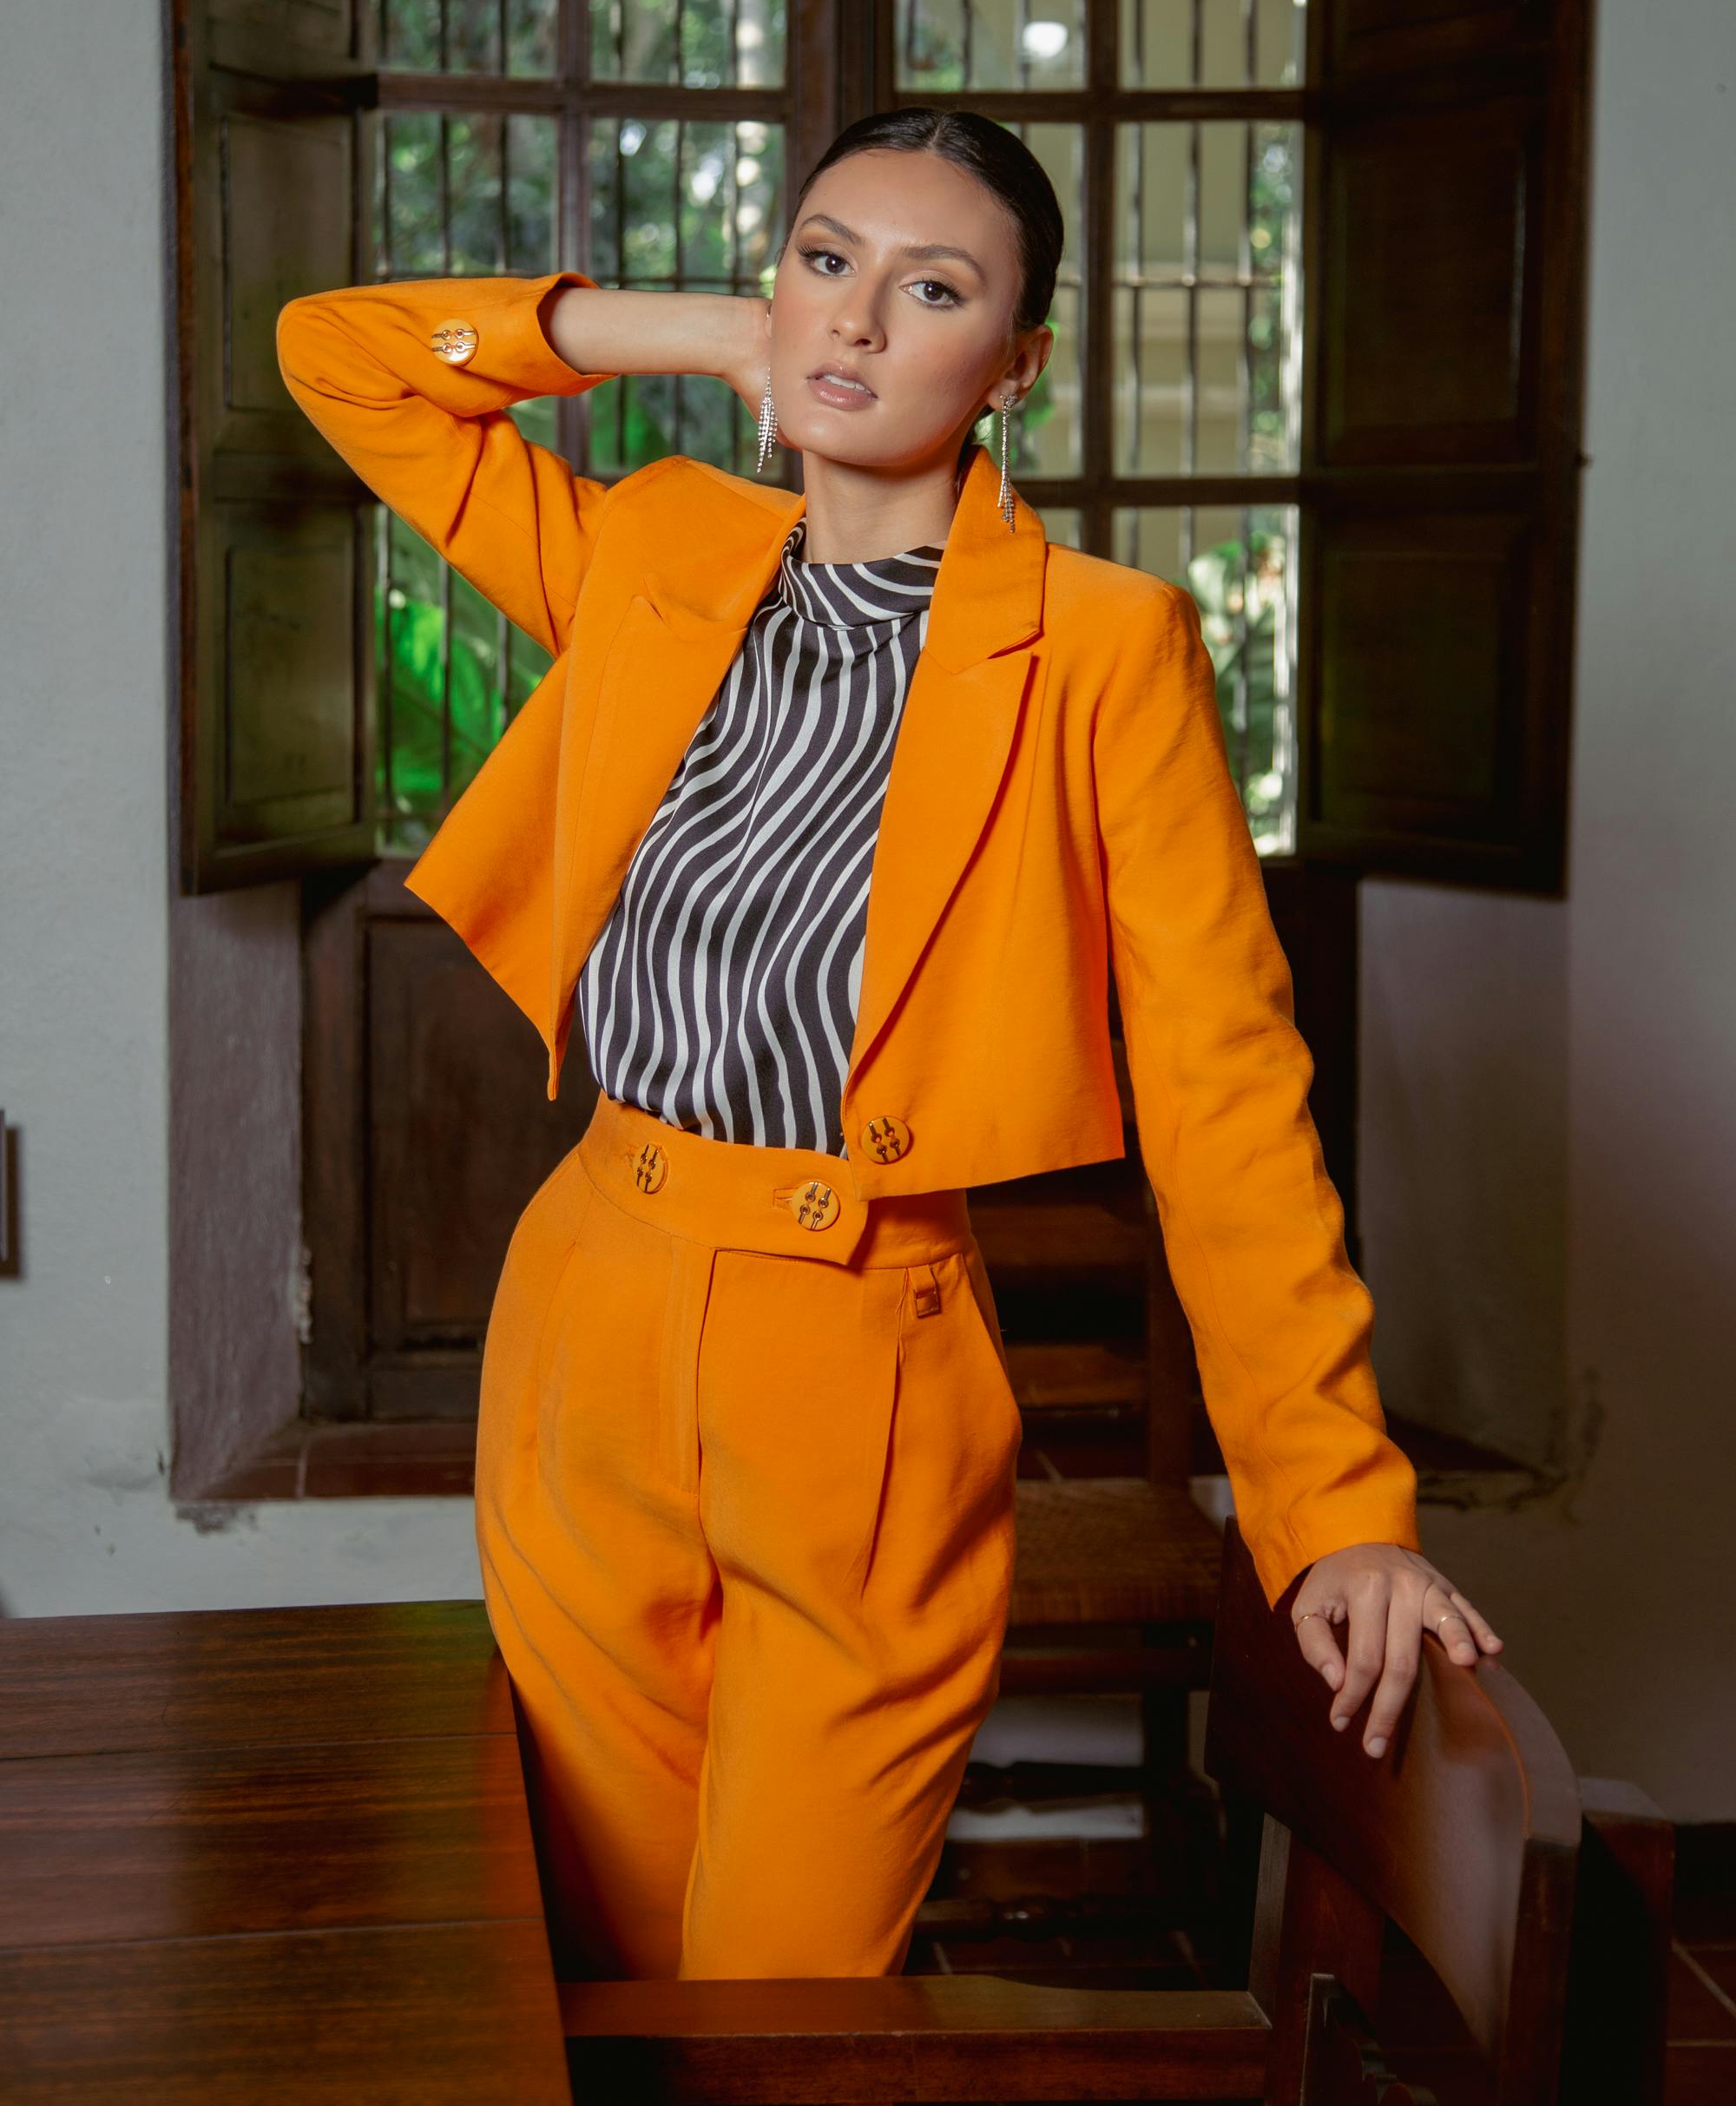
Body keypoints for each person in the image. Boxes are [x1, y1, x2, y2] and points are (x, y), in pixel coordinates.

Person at [276, 106, 1501, 1984]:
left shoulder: (1106, 650)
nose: (853, 321)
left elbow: (1224, 1088)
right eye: (822, 258)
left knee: (783, 1989)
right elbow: (337, 353)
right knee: (595, 1968)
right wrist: (697, 331)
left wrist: (1332, 1505)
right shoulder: (656, 551)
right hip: (589, 1304)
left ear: (1011, 364)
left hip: (862, 1348)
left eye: (930, 289)